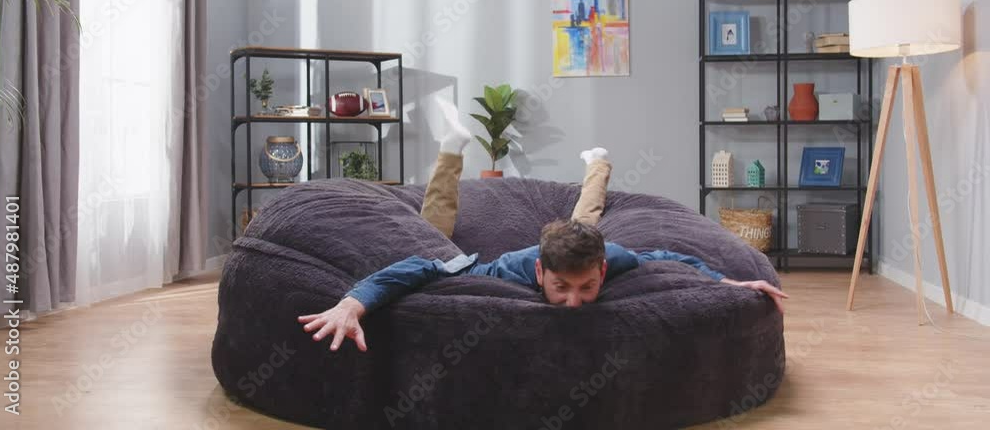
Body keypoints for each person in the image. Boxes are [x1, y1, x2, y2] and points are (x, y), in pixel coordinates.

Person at [298, 99, 788, 352]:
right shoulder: (499, 275)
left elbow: (669, 258)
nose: (573, 302)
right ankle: (452, 147)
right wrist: (350, 304)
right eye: (561, 288)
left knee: (585, 221)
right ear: (538, 276)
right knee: (434, 226)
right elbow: (414, 268)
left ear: (601, 270)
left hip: (573, 238)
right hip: (469, 257)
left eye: (586, 287)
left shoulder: (609, 259)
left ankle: (598, 164)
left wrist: (729, 279)